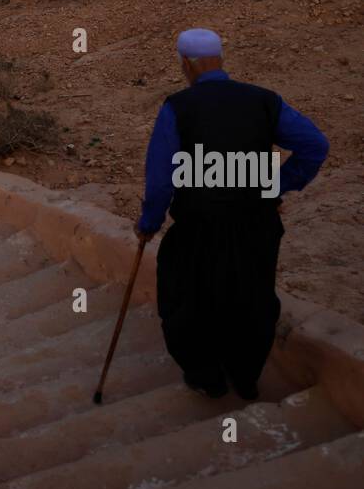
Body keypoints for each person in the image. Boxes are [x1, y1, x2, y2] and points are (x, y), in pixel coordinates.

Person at [136, 29, 329, 400]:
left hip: (199, 226)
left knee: (186, 298)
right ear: (221, 59)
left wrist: (149, 223)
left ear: (186, 65)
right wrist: (275, 186)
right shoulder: (263, 100)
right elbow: (315, 145)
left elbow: (160, 180)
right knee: (252, 297)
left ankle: (207, 377)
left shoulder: (177, 106)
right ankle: (245, 378)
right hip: (256, 224)